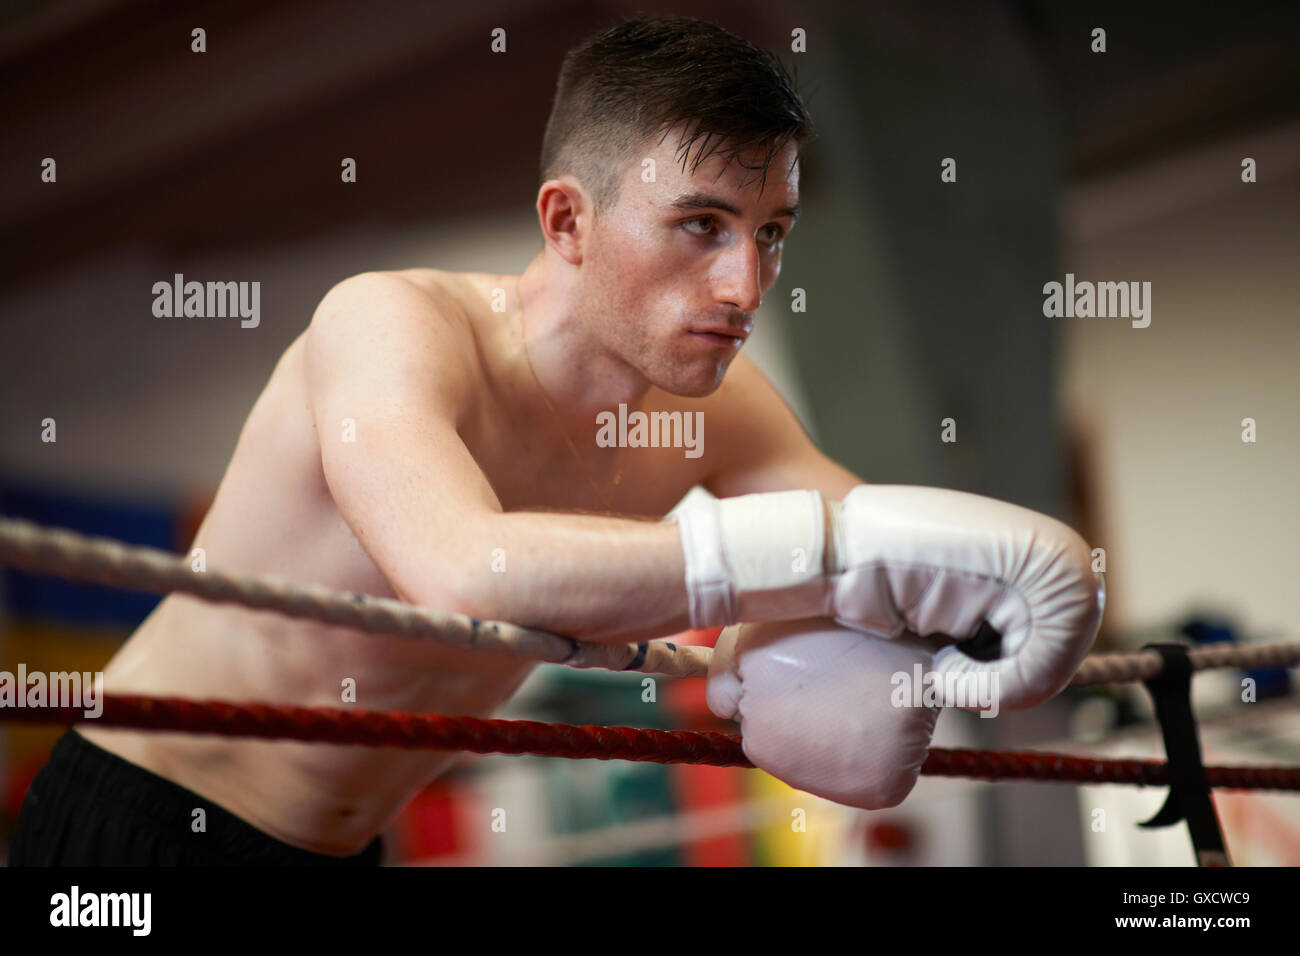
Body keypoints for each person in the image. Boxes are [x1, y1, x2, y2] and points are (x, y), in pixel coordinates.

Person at [9, 16, 1102, 866]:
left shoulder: (722, 409)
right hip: (143, 818)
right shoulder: (392, 325)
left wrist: (962, 640)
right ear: (568, 222)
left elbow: (867, 569)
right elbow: (462, 569)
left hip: (348, 846)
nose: (745, 285)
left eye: (771, 234)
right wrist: (811, 555)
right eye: (700, 225)